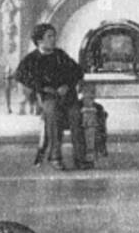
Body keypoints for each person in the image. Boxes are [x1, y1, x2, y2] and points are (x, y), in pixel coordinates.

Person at [14, 23, 92, 171]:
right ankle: (55, 156)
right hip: (47, 98)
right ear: (39, 40)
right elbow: (20, 75)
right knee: (53, 113)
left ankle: (80, 158)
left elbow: (77, 71)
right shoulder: (31, 59)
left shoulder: (60, 55)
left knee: (75, 114)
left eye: (53, 36)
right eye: (49, 36)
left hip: (67, 96)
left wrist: (67, 85)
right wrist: (41, 87)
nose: (53, 39)